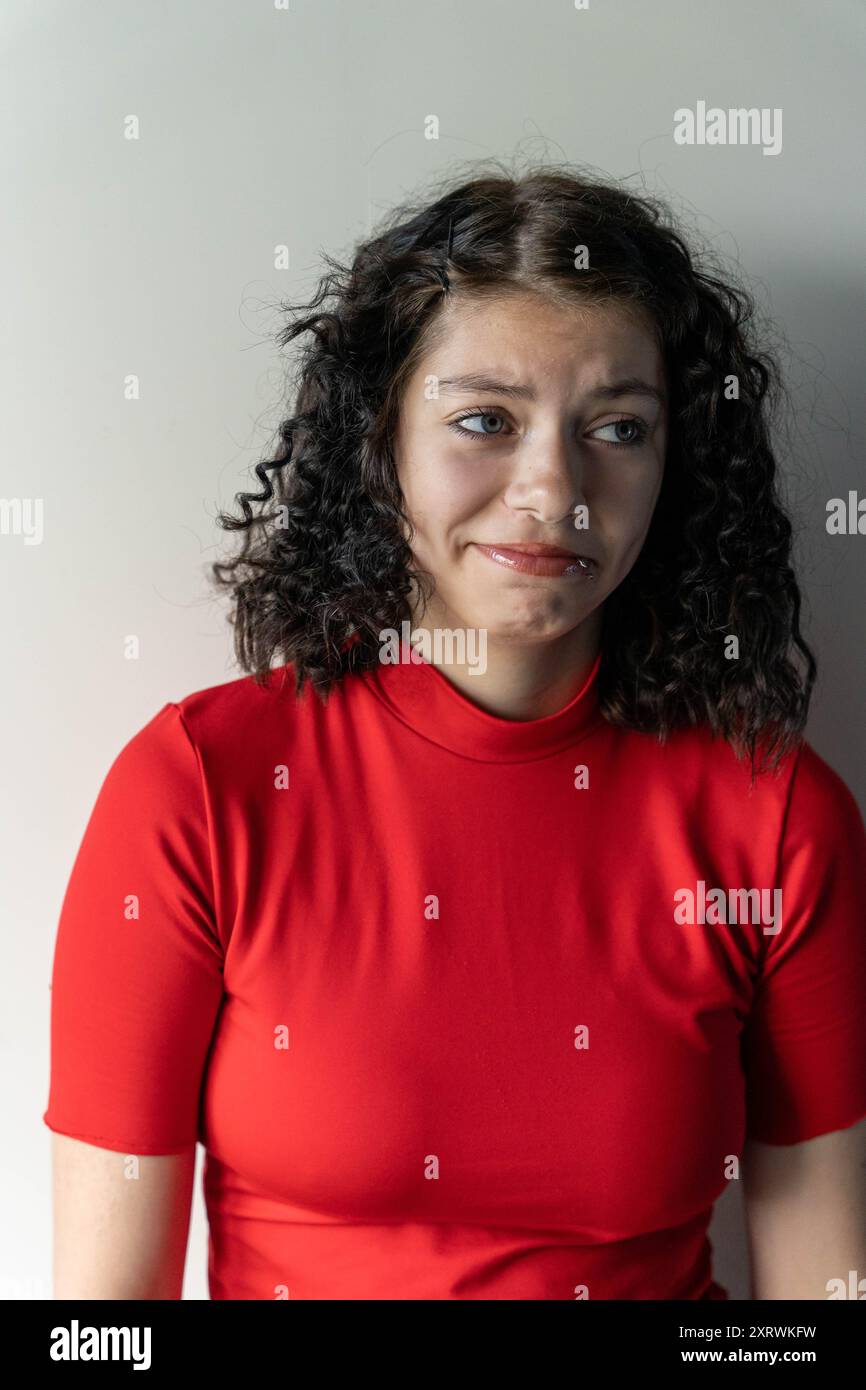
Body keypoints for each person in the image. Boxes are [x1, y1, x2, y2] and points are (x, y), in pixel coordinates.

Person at [44, 161, 866, 1300]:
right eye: (485, 418)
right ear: (380, 440)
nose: (554, 490)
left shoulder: (776, 822)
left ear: (676, 465)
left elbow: (818, 1304)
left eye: (616, 429)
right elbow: (97, 1326)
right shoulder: (197, 788)